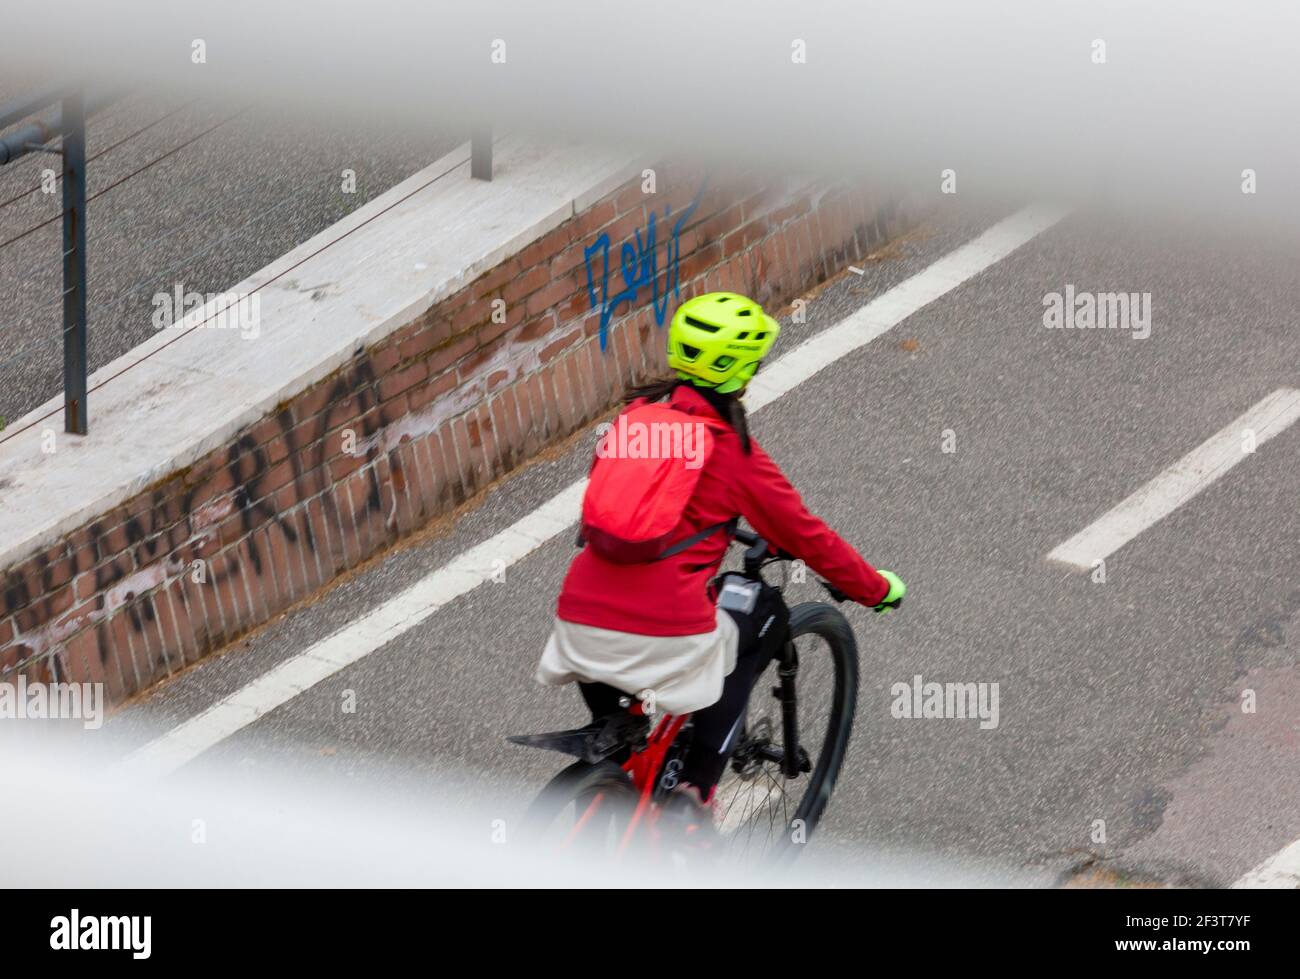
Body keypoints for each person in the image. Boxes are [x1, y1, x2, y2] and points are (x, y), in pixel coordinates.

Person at [535, 291, 905, 825]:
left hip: (577, 623)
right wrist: (875, 588)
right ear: (742, 371)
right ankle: (694, 792)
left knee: (628, 739)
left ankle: (614, 782)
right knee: (762, 613)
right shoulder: (731, 452)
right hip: (662, 633)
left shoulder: (634, 421)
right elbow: (808, 536)